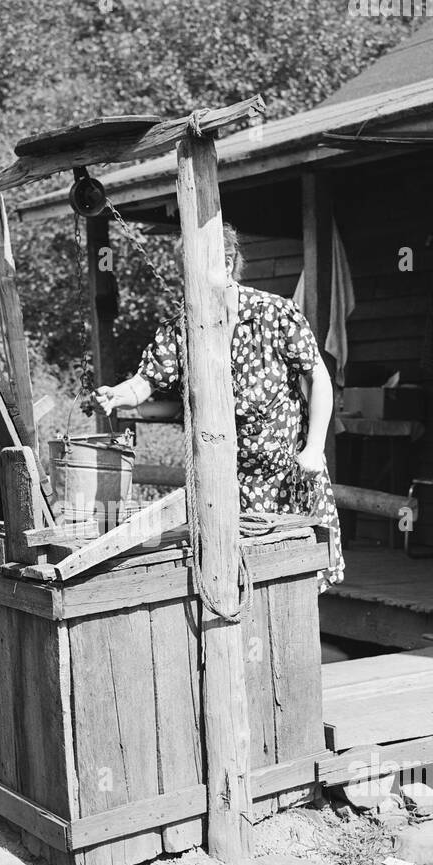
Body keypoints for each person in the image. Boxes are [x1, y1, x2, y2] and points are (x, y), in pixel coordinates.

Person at [93, 223, 344, 590]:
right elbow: (144, 381)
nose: (187, 282)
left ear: (227, 264)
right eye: (185, 272)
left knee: (295, 583)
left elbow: (319, 379)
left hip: (288, 478)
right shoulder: (183, 327)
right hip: (224, 484)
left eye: (195, 270)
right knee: (236, 582)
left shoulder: (275, 314)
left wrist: (314, 448)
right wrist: (117, 394)